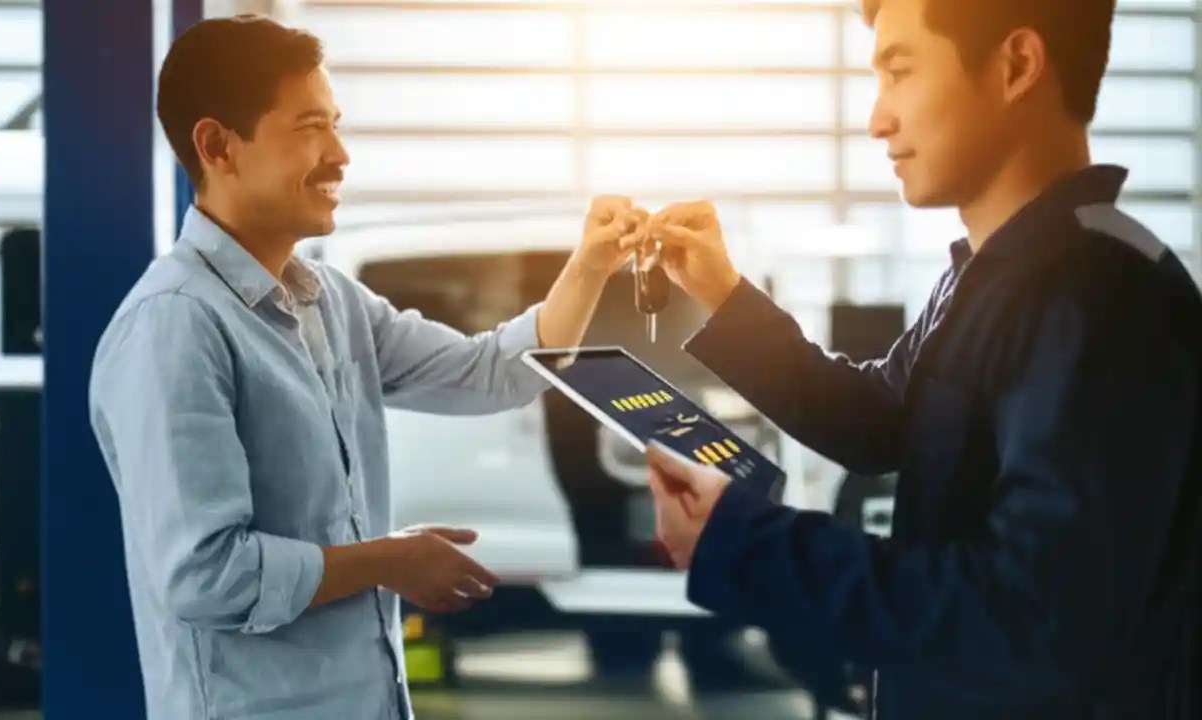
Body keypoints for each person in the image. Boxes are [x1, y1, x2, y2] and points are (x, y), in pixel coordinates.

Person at [640, 0, 1202, 717]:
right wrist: (723, 295)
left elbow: (1035, 619)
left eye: (900, 73)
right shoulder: (999, 276)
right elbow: (879, 423)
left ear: (1017, 65)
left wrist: (747, 546)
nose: (878, 119)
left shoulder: (1098, 296)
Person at [88, 15, 648, 720]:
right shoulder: (175, 326)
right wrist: (388, 561)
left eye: (336, 124)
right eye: (309, 128)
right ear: (217, 145)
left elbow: (490, 373)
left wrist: (591, 265)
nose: (340, 154)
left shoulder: (332, 301)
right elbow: (207, 577)